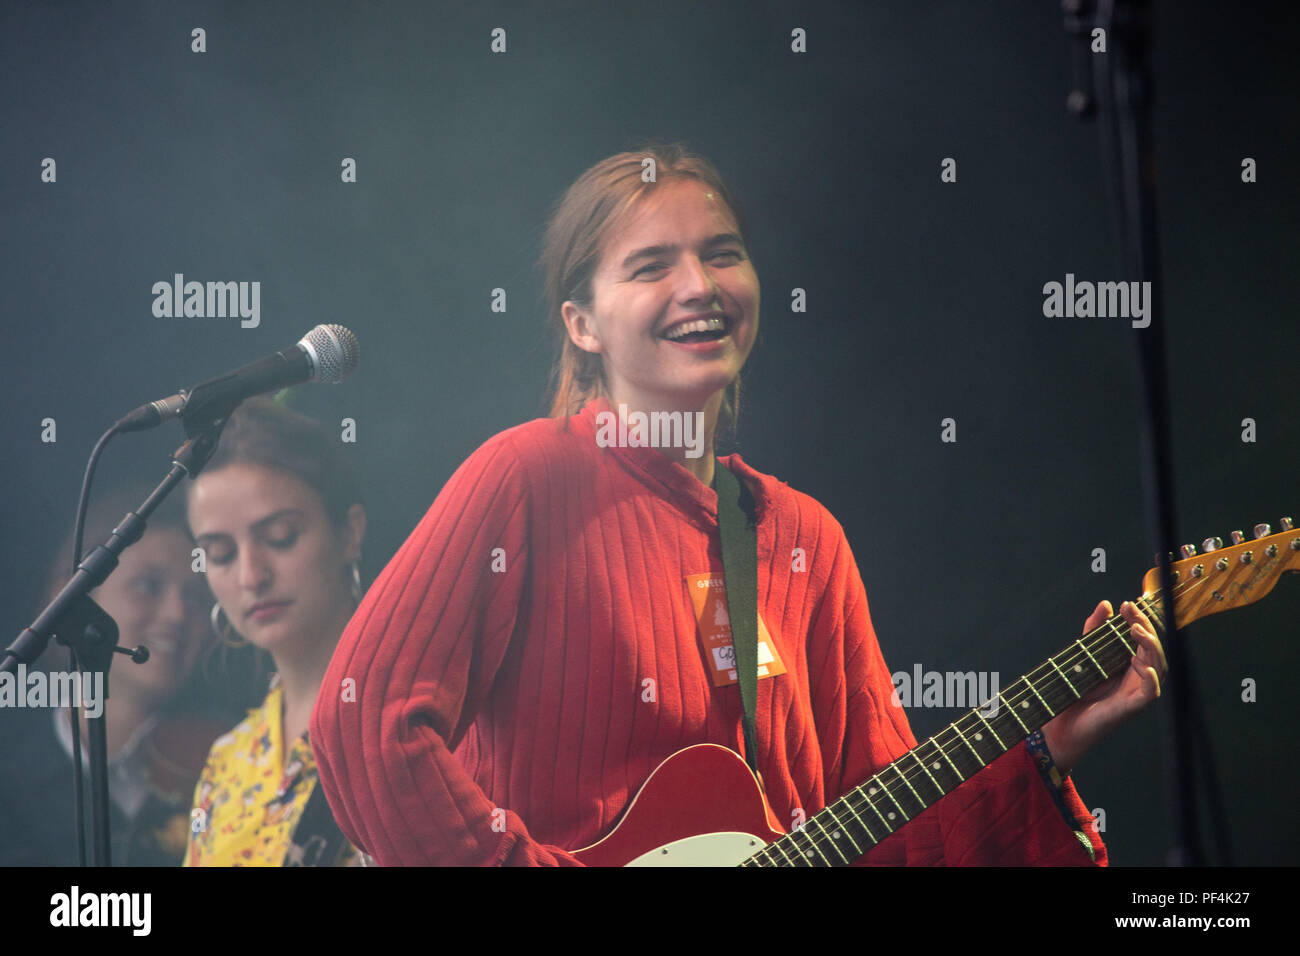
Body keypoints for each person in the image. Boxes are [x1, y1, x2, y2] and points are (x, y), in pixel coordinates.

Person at [310, 144, 1168, 866]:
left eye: (722, 254)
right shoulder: (526, 476)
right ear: (582, 324)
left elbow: (890, 836)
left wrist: (1045, 748)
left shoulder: (805, 539)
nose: (700, 285)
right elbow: (361, 730)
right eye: (651, 266)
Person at [182, 397, 366, 866]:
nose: (251, 575)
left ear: (349, 532)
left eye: (281, 536)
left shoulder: (417, 717)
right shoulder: (225, 765)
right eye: (220, 553)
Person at [0, 482, 220, 866]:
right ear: (72, 602)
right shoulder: (10, 771)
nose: (178, 615)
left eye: (198, 597)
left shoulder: (226, 765)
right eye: (148, 586)